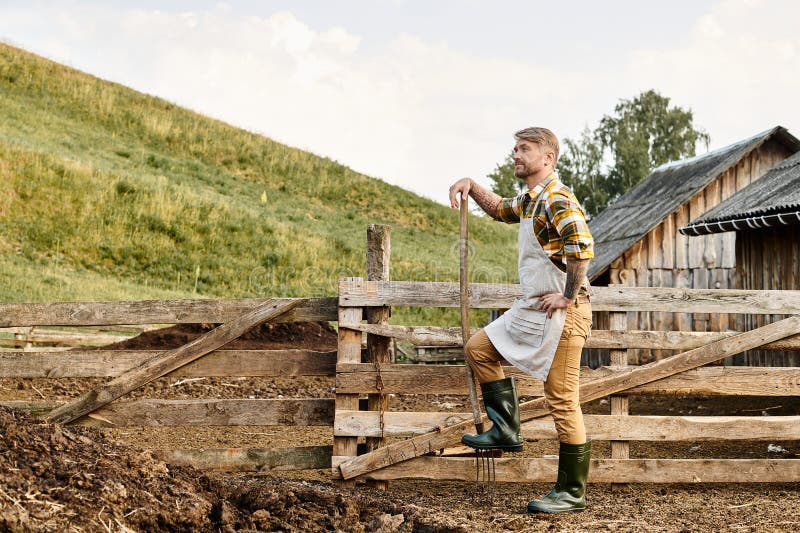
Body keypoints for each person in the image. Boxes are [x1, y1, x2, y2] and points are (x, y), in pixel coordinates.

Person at [448, 127, 594, 514]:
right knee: (478, 348)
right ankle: (507, 428)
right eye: (515, 148)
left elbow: (582, 250)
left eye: (524, 149)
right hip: (534, 307)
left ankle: (572, 492)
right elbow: (498, 208)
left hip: (564, 313)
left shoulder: (557, 198)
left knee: (562, 400)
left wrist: (568, 295)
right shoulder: (531, 200)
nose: (516, 154)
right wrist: (472, 186)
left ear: (548, 158)